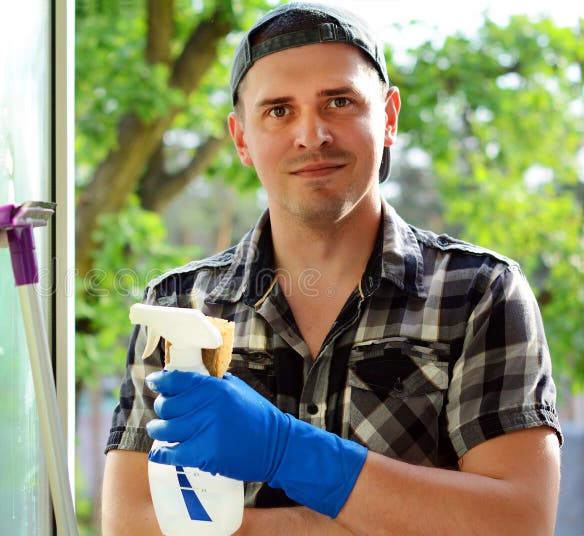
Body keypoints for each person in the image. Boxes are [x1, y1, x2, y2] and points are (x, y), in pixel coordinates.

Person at [101, 2, 563, 534]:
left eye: (339, 101)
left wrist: (285, 450)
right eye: (278, 110)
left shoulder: (482, 294)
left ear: (388, 117)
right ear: (242, 139)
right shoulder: (177, 305)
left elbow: (515, 523)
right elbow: (132, 523)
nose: (311, 135)